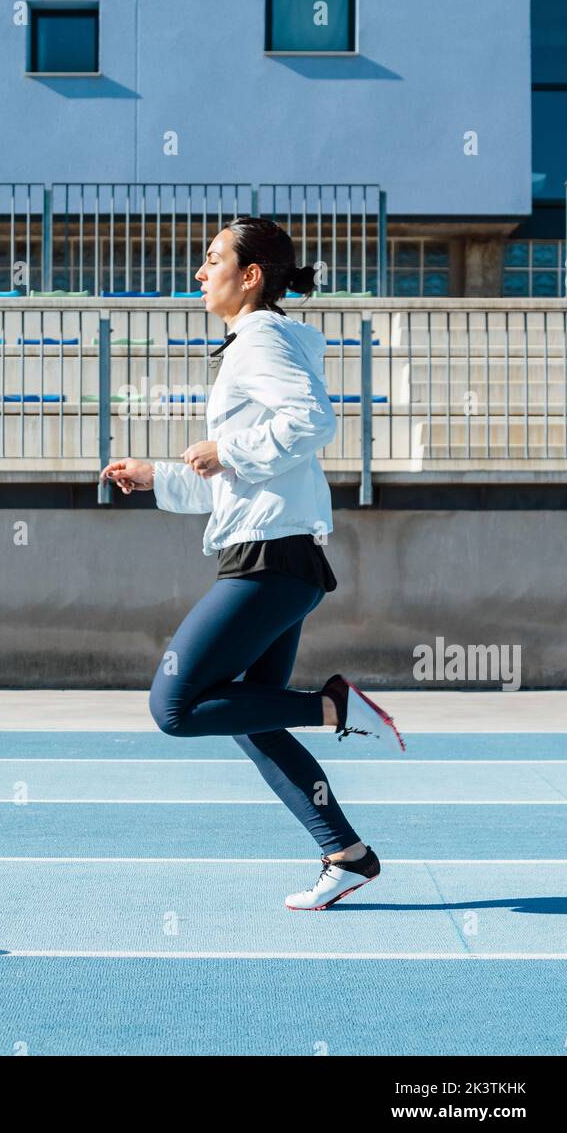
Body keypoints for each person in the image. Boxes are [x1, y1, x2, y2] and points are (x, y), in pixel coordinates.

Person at [99, 216, 406, 912]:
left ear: (252, 275)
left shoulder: (260, 338)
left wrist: (227, 450)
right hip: (275, 549)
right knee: (252, 716)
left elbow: (311, 423)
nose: (200, 273)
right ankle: (347, 854)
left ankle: (334, 706)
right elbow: (244, 470)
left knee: (174, 706)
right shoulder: (258, 342)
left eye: (213, 260)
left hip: (272, 557)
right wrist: (160, 476)